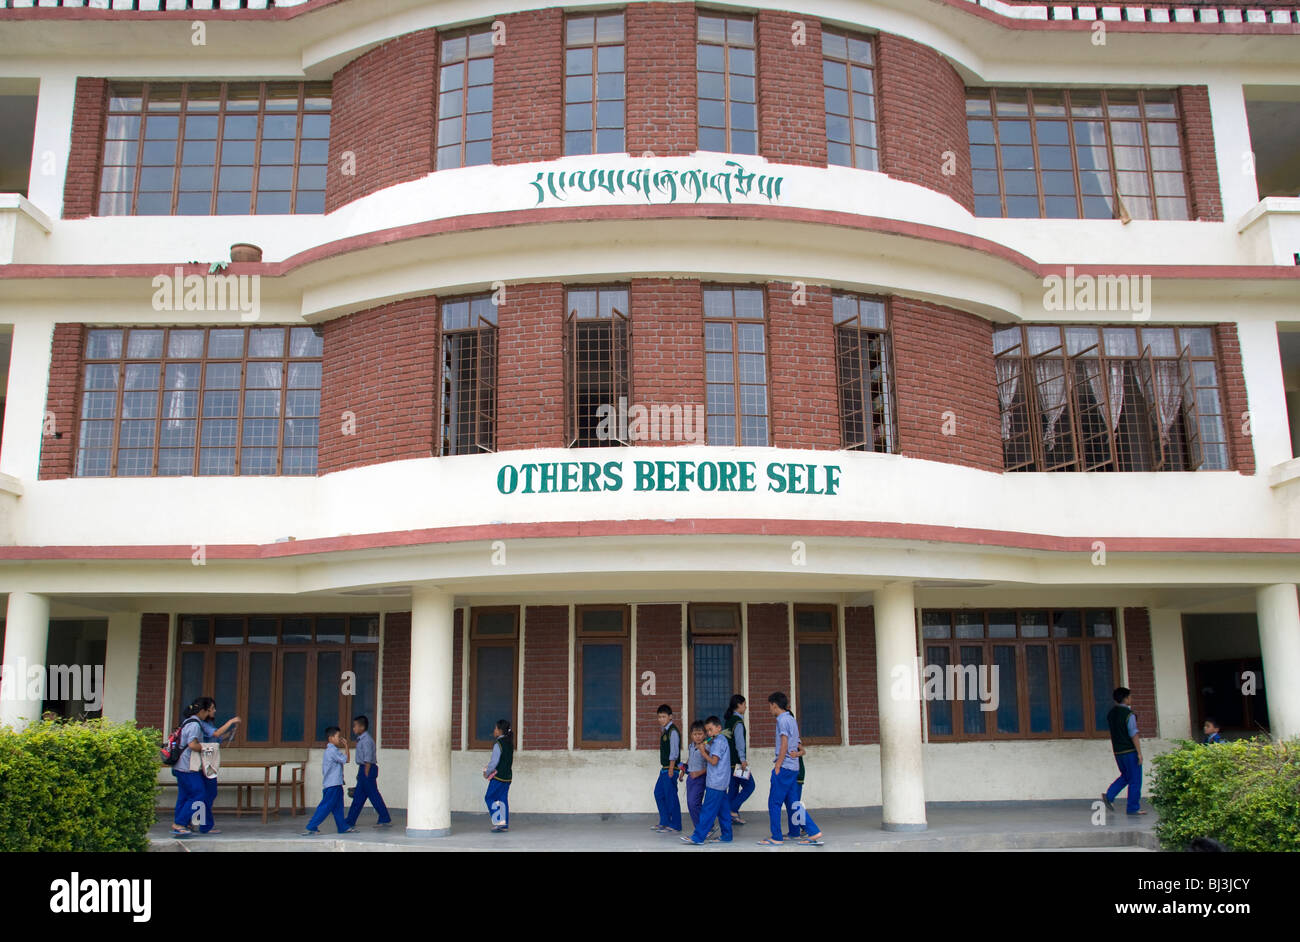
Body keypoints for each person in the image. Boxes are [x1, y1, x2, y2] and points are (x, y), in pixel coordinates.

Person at [758, 692, 824, 846]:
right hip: (794, 767)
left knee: (774, 803)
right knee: (794, 803)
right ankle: (813, 831)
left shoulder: (782, 720)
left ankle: (776, 837)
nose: (770, 709)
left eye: (770, 706)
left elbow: (784, 744)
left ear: (774, 705)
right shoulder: (791, 719)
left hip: (785, 767)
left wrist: (778, 765)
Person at [680, 716, 733, 845]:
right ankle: (727, 835)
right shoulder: (720, 740)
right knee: (723, 810)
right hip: (721, 782)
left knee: (707, 810)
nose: (709, 733)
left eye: (710, 730)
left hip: (715, 782)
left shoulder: (718, 742)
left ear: (719, 728)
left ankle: (698, 837)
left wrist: (703, 752)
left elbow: (714, 761)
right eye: (707, 730)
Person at [191, 696, 239, 836]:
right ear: (204, 710)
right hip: (203, 763)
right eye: (212, 709)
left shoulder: (207, 724)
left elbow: (217, 737)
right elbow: (216, 733)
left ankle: (199, 823)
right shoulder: (199, 723)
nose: (214, 711)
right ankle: (200, 823)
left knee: (208, 793)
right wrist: (231, 722)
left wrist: (229, 734)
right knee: (204, 794)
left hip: (209, 761)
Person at [1101, 687, 1147, 816]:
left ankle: (1109, 795)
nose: (1131, 699)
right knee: (1135, 780)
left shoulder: (1111, 713)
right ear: (1125, 698)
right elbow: (1133, 734)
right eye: (1130, 697)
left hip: (1118, 751)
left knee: (1126, 776)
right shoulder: (1128, 714)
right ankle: (1133, 807)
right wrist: (1139, 752)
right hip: (1129, 750)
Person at [303, 726, 356, 835]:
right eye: (338, 736)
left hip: (335, 783)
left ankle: (342, 827)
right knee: (325, 806)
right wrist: (346, 745)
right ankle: (311, 826)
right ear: (331, 738)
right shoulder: (332, 750)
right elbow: (347, 759)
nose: (339, 739)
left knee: (338, 807)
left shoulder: (331, 750)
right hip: (333, 785)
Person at [345, 715, 392, 829]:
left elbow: (368, 758)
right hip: (363, 769)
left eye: (355, 726)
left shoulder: (366, 740)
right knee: (359, 797)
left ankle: (384, 818)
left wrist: (365, 773)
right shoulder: (362, 739)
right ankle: (350, 820)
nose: (354, 729)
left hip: (367, 769)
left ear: (362, 727)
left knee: (373, 795)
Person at [169, 704, 205, 838]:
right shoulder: (195, 725)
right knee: (198, 793)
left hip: (179, 765)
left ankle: (181, 824)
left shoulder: (185, 722)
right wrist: (206, 747)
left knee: (184, 796)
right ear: (202, 711)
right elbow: (192, 745)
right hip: (188, 766)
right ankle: (179, 823)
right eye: (209, 710)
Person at [723, 694, 755, 825]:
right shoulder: (738, 722)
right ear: (739, 705)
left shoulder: (729, 720)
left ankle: (731, 816)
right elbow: (739, 743)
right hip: (737, 763)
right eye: (744, 704)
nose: (746, 707)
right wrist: (742, 759)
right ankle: (732, 809)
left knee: (733, 789)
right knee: (750, 786)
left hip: (729, 762)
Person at [651, 704, 682, 833]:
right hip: (664, 768)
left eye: (664, 716)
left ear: (670, 717)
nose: (661, 719)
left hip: (670, 769)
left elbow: (674, 752)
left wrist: (671, 768)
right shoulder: (665, 731)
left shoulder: (673, 731)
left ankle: (675, 824)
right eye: (659, 717)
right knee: (658, 793)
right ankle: (664, 821)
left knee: (671, 796)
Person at [483, 718, 514, 832]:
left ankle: (499, 822)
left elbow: (494, 762)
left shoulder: (498, 744)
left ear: (500, 730)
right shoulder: (509, 744)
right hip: (507, 777)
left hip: (498, 777)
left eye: (496, 728)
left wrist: (487, 772)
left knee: (489, 797)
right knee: (502, 800)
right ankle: (504, 824)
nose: (494, 730)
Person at [680, 721, 708, 832]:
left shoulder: (706, 747)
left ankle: (703, 828)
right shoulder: (691, 746)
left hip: (700, 778)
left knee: (694, 803)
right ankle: (701, 827)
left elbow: (711, 765)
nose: (697, 736)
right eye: (695, 734)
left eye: (700, 734)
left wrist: (698, 773)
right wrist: (683, 770)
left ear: (705, 735)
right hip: (690, 778)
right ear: (691, 735)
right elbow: (690, 759)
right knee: (690, 804)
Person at [786, 740, 807, 839]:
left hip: (797, 775)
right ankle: (798, 829)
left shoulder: (794, 738)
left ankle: (805, 828)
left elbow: (803, 751)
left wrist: (796, 754)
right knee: (792, 803)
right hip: (790, 774)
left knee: (795, 803)